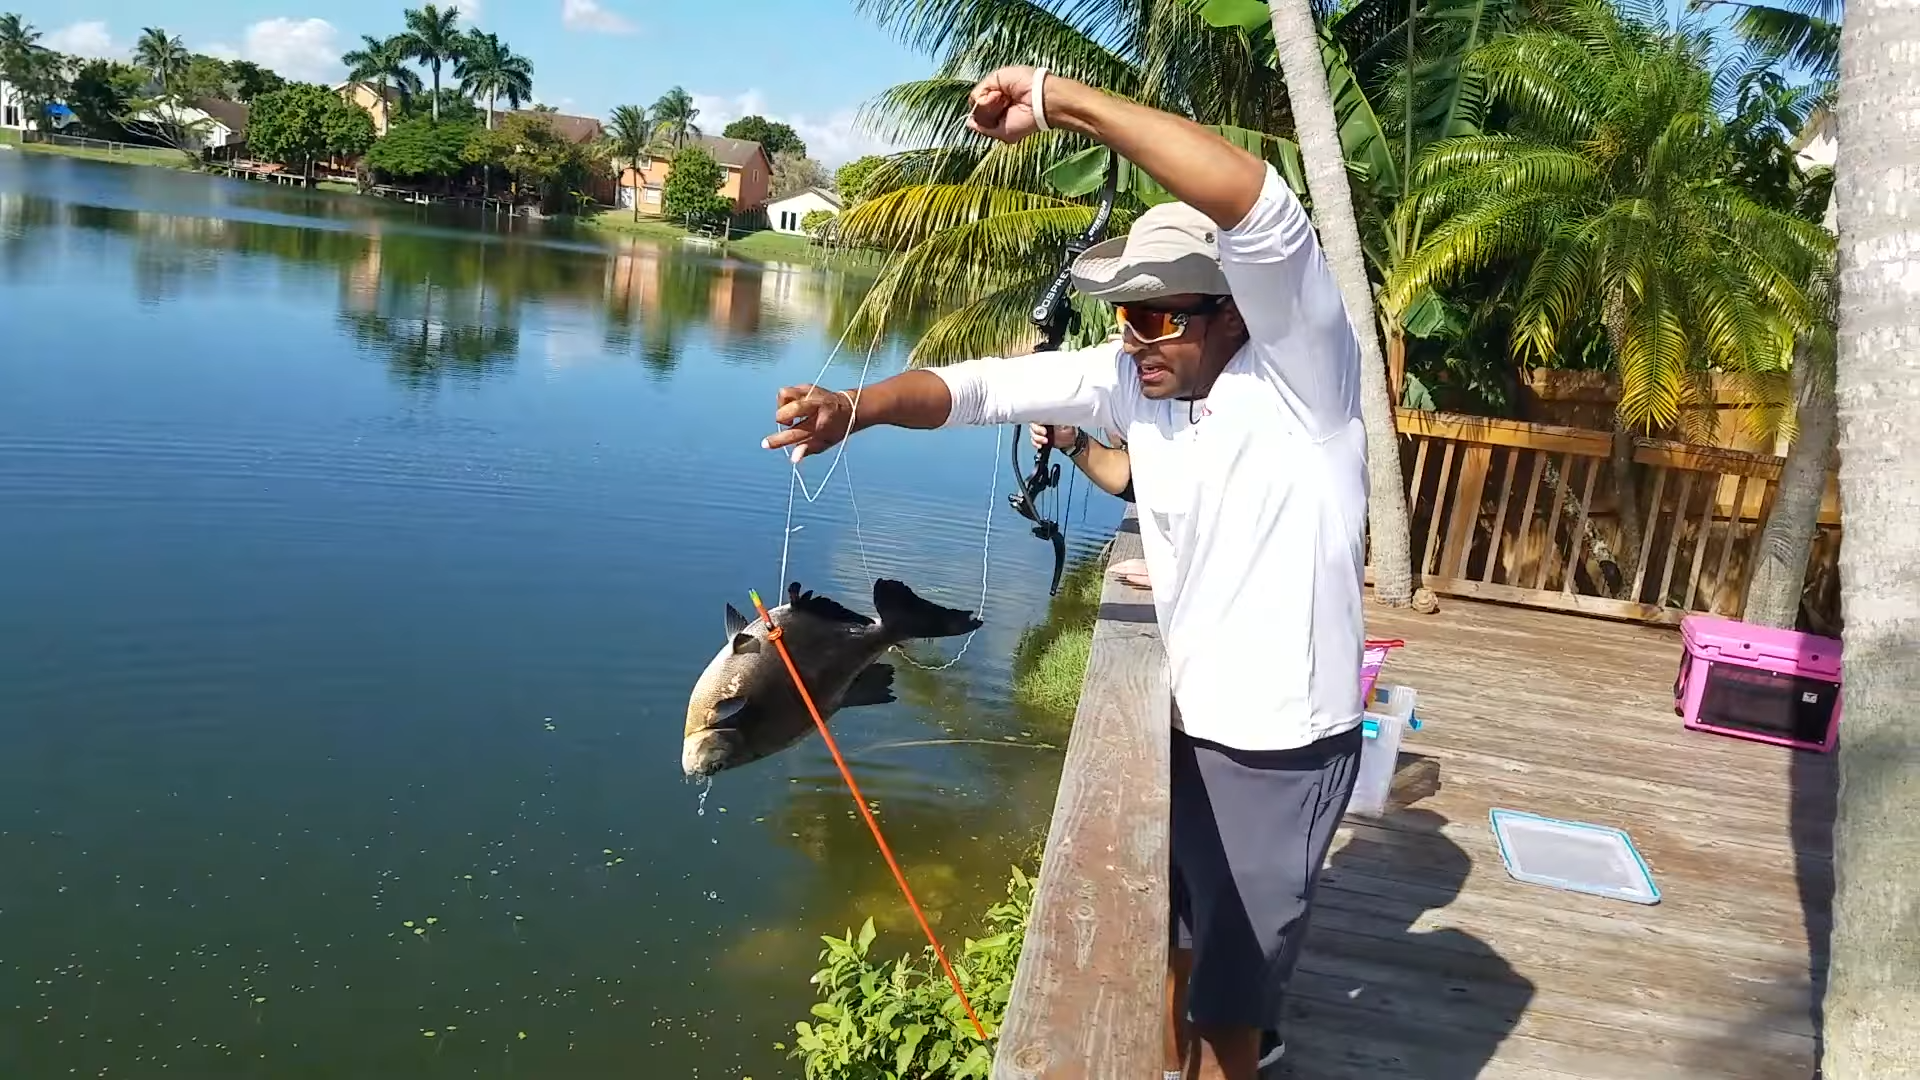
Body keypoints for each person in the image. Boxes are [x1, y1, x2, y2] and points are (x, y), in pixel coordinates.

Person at [763, 65, 1368, 1080]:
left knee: (1236, 1004)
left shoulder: (1304, 375)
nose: (1133, 340)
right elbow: (977, 389)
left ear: (1234, 313)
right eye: (1124, 317)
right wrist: (853, 410)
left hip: (1279, 747)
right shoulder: (1137, 379)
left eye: (1158, 317)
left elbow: (1255, 199)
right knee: (1181, 943)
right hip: (1189, 720)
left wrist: (1059, 101)